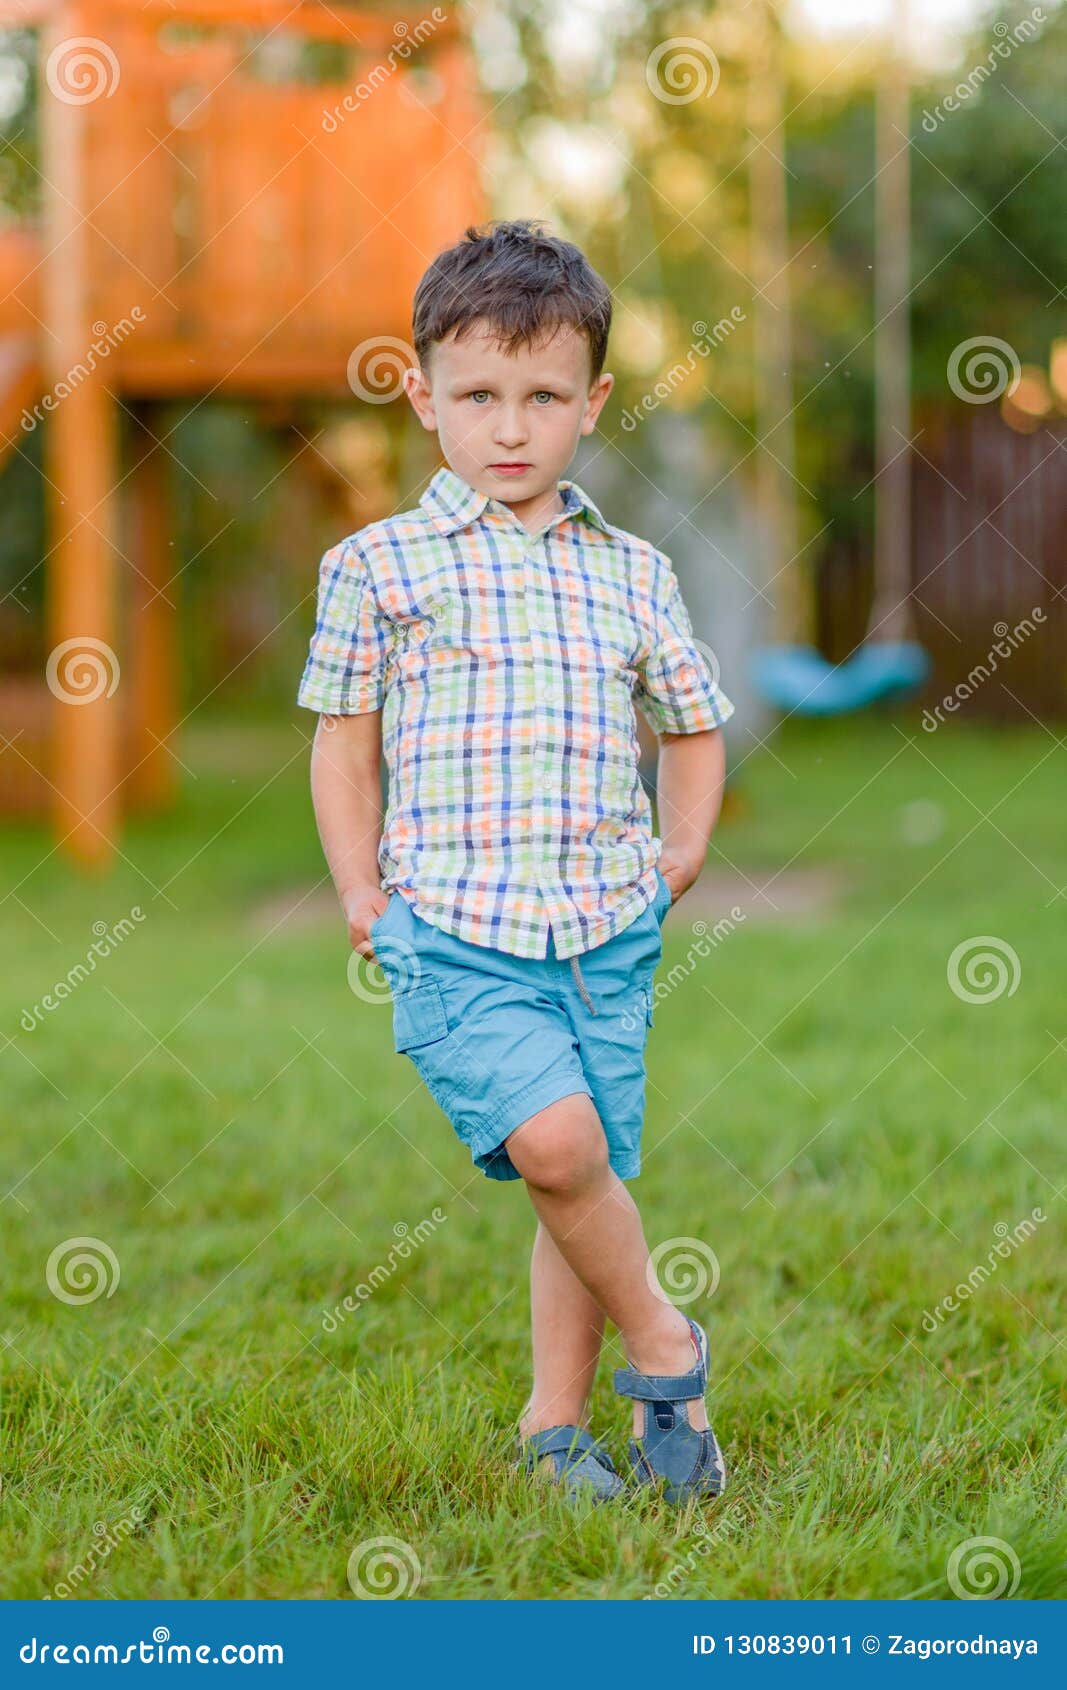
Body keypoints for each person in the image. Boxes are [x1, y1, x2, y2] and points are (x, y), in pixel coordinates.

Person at [297, 219, 734, 1506]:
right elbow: (342, 743)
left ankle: (555, 1428)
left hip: (602, 926)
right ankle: (668, 1346)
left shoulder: (632, 574)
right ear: (422, 393)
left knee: (580, 1168)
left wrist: (680, 847)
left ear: (590, 404)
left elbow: (690, 723)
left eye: (542, 398)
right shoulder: (376, 567)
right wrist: (360, 889)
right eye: (478, 394)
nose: (508, 428)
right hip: (451, 924)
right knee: (554, 1144)